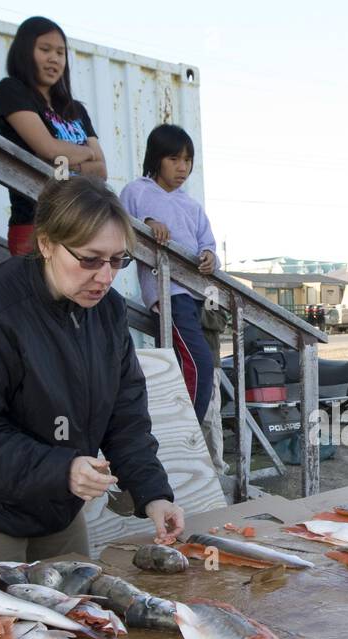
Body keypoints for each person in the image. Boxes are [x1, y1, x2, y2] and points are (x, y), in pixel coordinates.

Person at [0, 176, 184, 569]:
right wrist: (61, 469)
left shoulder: (108, 311)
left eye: (117, 260)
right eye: (90, 259)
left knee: (79, 618)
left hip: (58, 506)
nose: (105, 277)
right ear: (46, 243)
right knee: (5, 628)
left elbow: (125, 415)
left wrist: (153, 493)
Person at [120, 124, 220, 425]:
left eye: (188, 160)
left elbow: (208, 242)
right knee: (199, 364)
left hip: (198, 297)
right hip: (170, 295)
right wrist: (146, 223)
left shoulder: (192, 205)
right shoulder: (136, 191)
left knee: (187, 365)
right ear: (156, 158)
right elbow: (120, 229)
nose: (183, 168)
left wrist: (209, 257)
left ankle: (176, 436)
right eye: (174, 159)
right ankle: (186, 432)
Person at [0, 16, 107, 256]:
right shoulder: (11, 91)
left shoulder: (76, 109)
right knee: (34, 293)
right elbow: (48, 149)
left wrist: (66, 160)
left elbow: (102, 170)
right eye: (45, 49)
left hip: (81, 223)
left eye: (61, 52)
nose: (54, 58)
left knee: (80, 293)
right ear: (24, 51)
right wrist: (86, 153)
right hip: (35, 224)